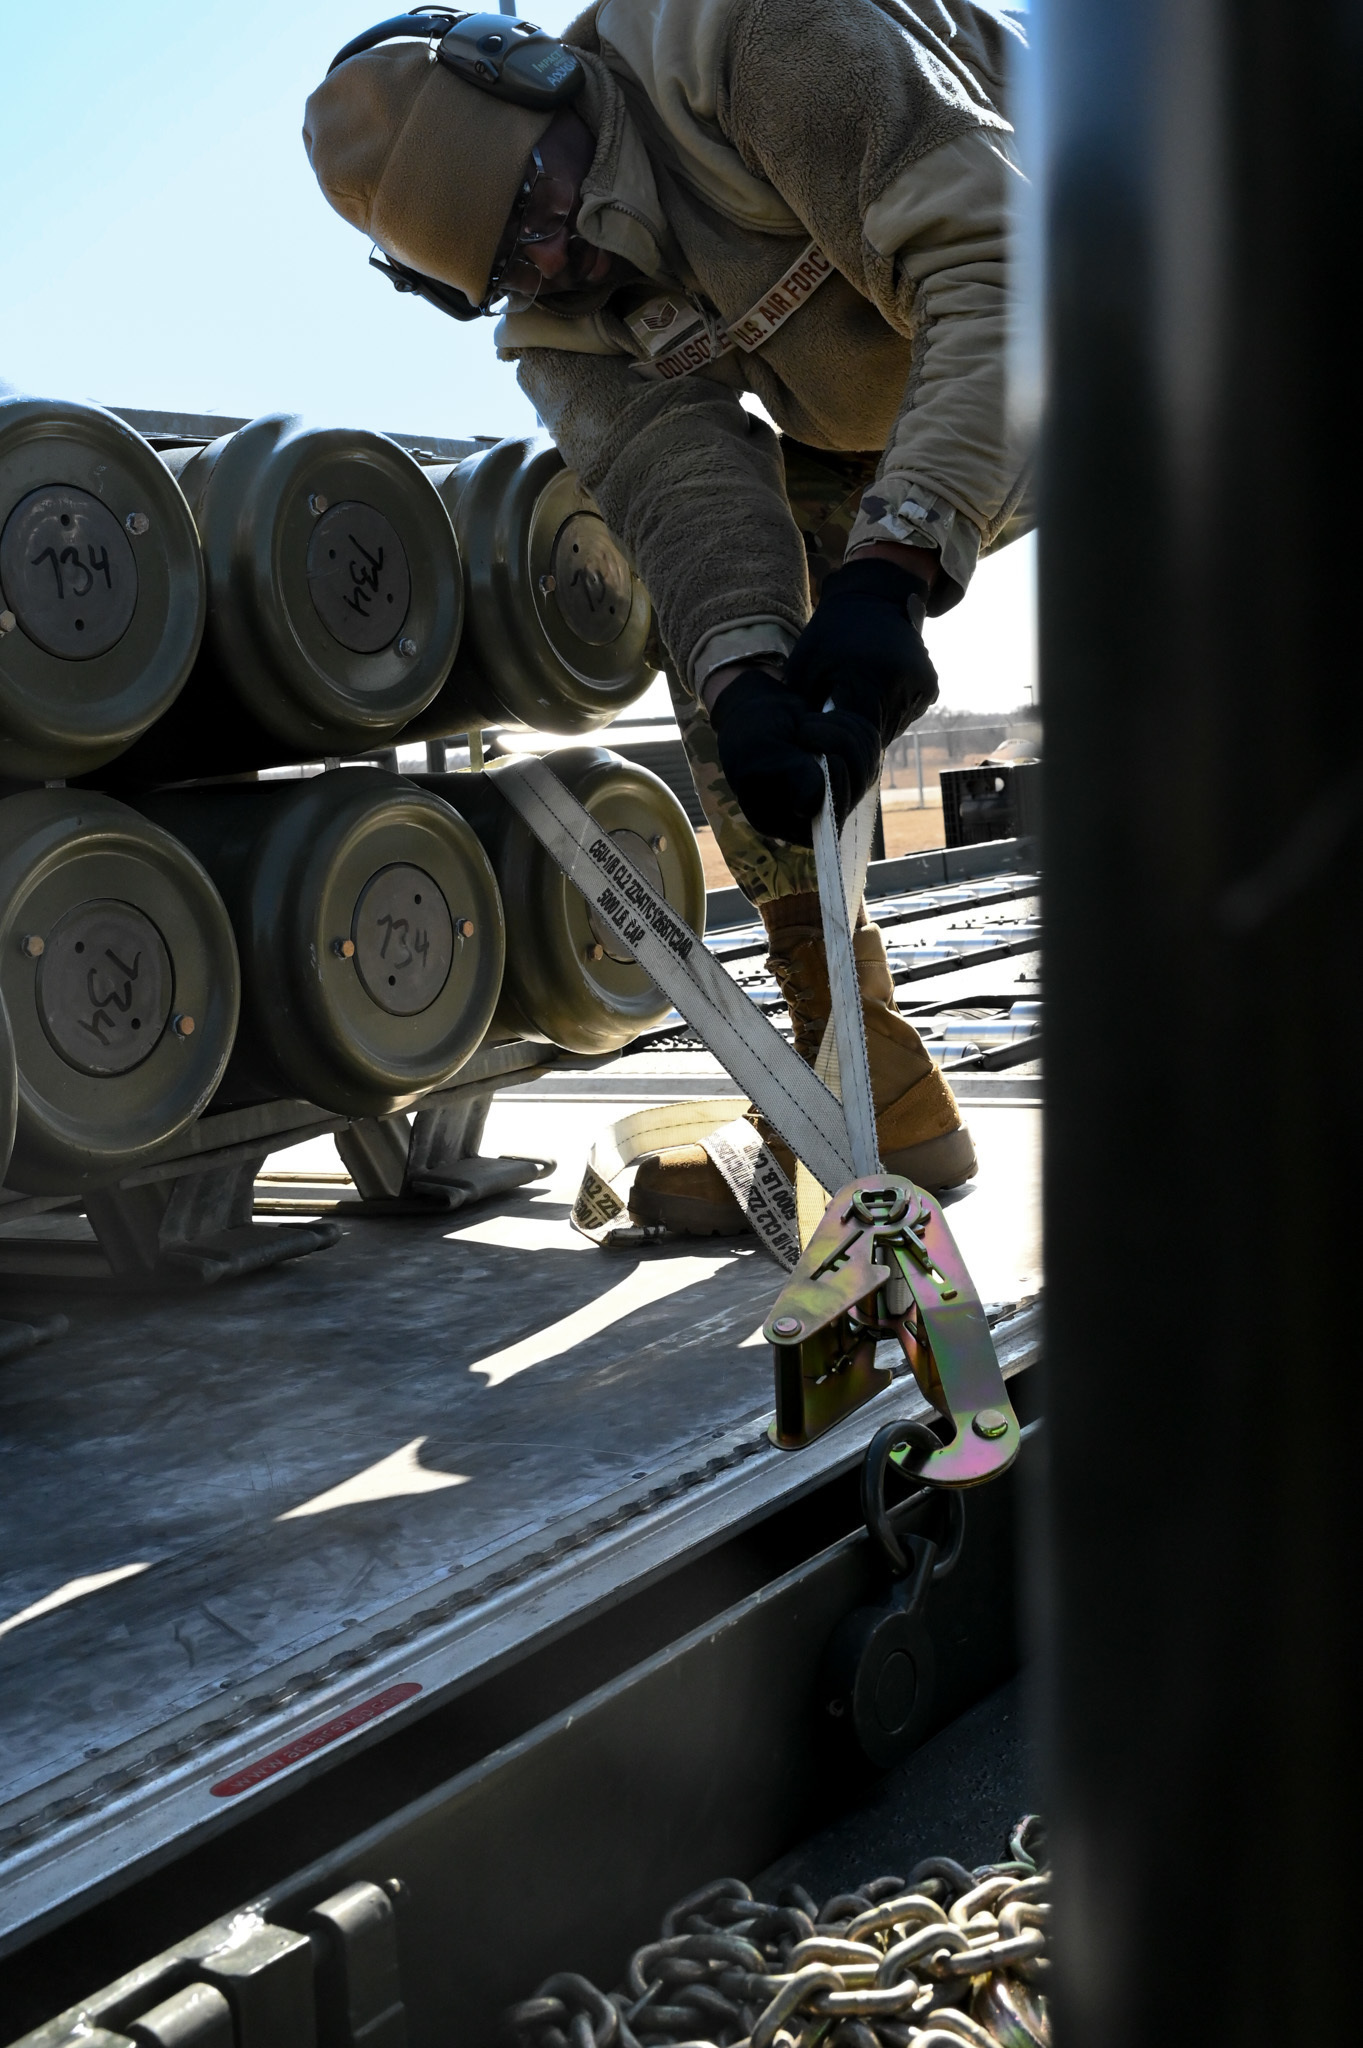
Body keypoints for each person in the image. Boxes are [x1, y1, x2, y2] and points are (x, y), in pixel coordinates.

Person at [304, 0, 1031, 1234]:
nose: (556, 256)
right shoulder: (552, 315)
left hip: (1123, 267)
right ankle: (863, 1084)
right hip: (891, 402)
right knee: (707, 627)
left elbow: (1004, 265)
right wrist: (750, 677)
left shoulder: (756, 38)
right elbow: (680, 491)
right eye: (505, 265)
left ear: (545, 82)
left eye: (535, 202)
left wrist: (893, 566)